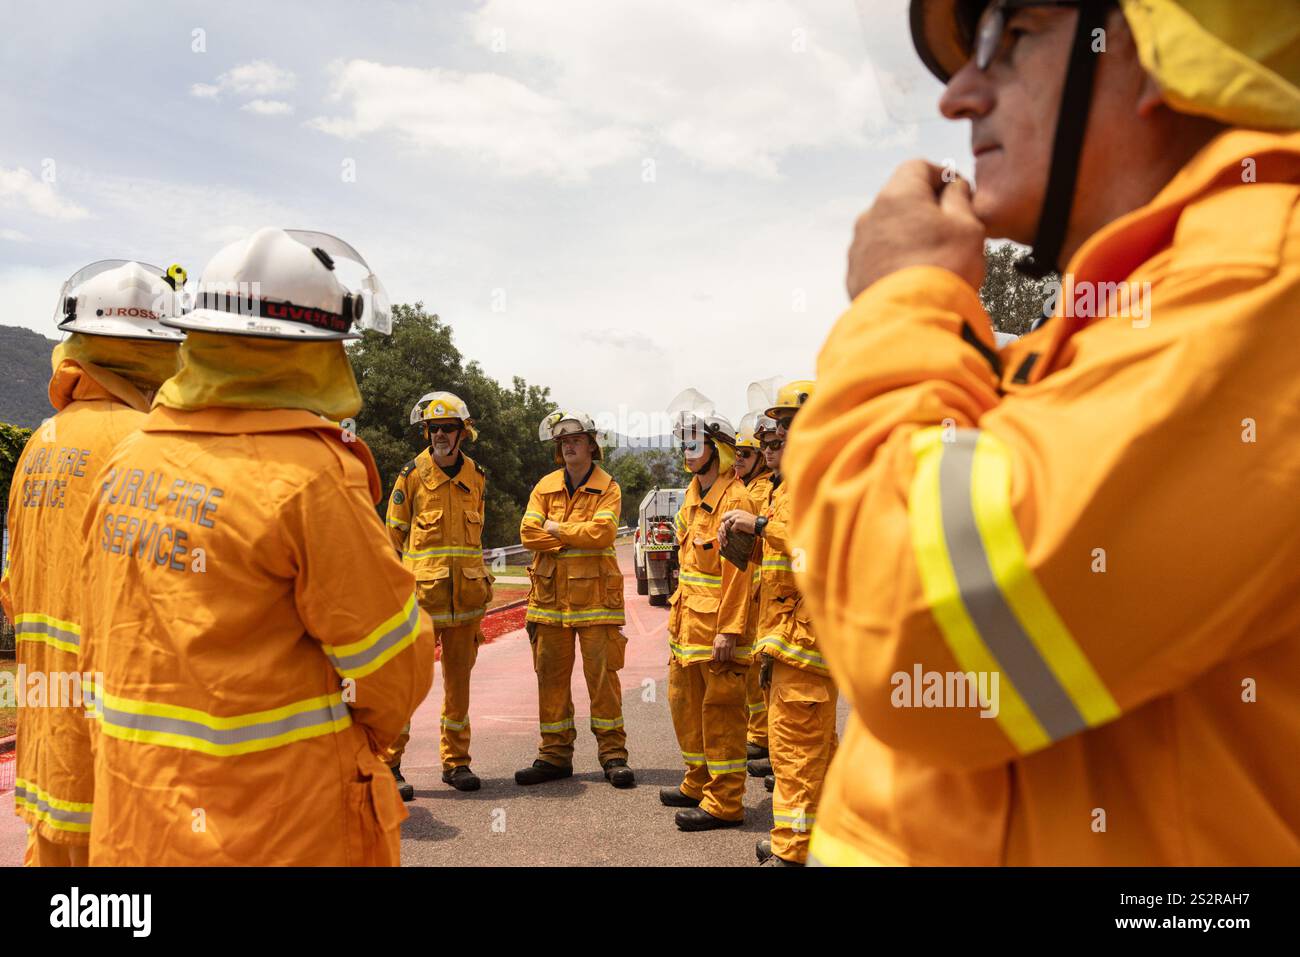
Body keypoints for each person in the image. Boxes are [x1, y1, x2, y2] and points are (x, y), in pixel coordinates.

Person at [786, 0, 1300, 864]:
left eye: (1011, 38)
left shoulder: (1262, 287)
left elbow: (919, 636)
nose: (957, 98)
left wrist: (901, 298)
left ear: (1160, 53)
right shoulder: (1138, 314)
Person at [78, 227, 435, 865]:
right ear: (317, 351)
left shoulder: (129, 458)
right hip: (277, 829)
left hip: (137, 822)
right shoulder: (311, 475)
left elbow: (100, 632)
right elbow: (391, 665)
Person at [0, 260, 185, 866]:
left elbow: (13, 587)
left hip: (46, 721)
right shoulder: (153, 445)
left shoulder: (39, 443)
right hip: (119, 731)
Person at [723, 381, 836, 867]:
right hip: (790, 644)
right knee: (817, 753)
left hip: (805, 644)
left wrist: (762, 528)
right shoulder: (789, 487)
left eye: (786, 429)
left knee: (793, 755)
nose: (777, 440)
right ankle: (821, 838)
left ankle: (791, 851)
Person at [516, 409, 634, 789]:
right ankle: (554, 756)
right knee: (550, 679)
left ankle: (613, 755)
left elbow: (603, 534)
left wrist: (554, 529)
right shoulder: (544, 485)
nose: (568, 446)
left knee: (602, 680)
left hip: (596, 601)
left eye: (575, 440)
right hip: (549, 602)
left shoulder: (609, 487)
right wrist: (568, 533)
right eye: (563, 442)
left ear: (591, 445)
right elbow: (527, 534)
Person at [385, 391, 492, 796]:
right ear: (426, 432)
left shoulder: (477, 478)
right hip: (419, 606)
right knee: (407, 687)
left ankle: (456, 763)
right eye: (434, 428)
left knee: (459, 689)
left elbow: (477, 539)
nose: (441, 435)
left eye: (448, 428)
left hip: (466, 604)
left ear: (463, 432)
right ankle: (390, 766)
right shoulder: (410, 476)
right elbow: (391, 540)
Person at [659, 394, 756, 831]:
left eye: (693, 443)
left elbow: (740, 575)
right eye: (683, 444)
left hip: (717, 632)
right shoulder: (692, 495)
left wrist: (729, 632)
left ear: (718, 449)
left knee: (721, 715)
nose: (686, 451)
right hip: (686, 629)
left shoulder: (737, 501)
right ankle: (697, 781)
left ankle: (725, 801)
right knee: (685, 706)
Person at [732, 411, 775, 771]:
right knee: (751, 669)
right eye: (736, 453)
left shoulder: (763, 489)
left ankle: (764, 739)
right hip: (750, 590)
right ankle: (760, 736)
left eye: (745, 454)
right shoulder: (744, 487)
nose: (738, 460)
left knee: (762, 668)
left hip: (764, 592)